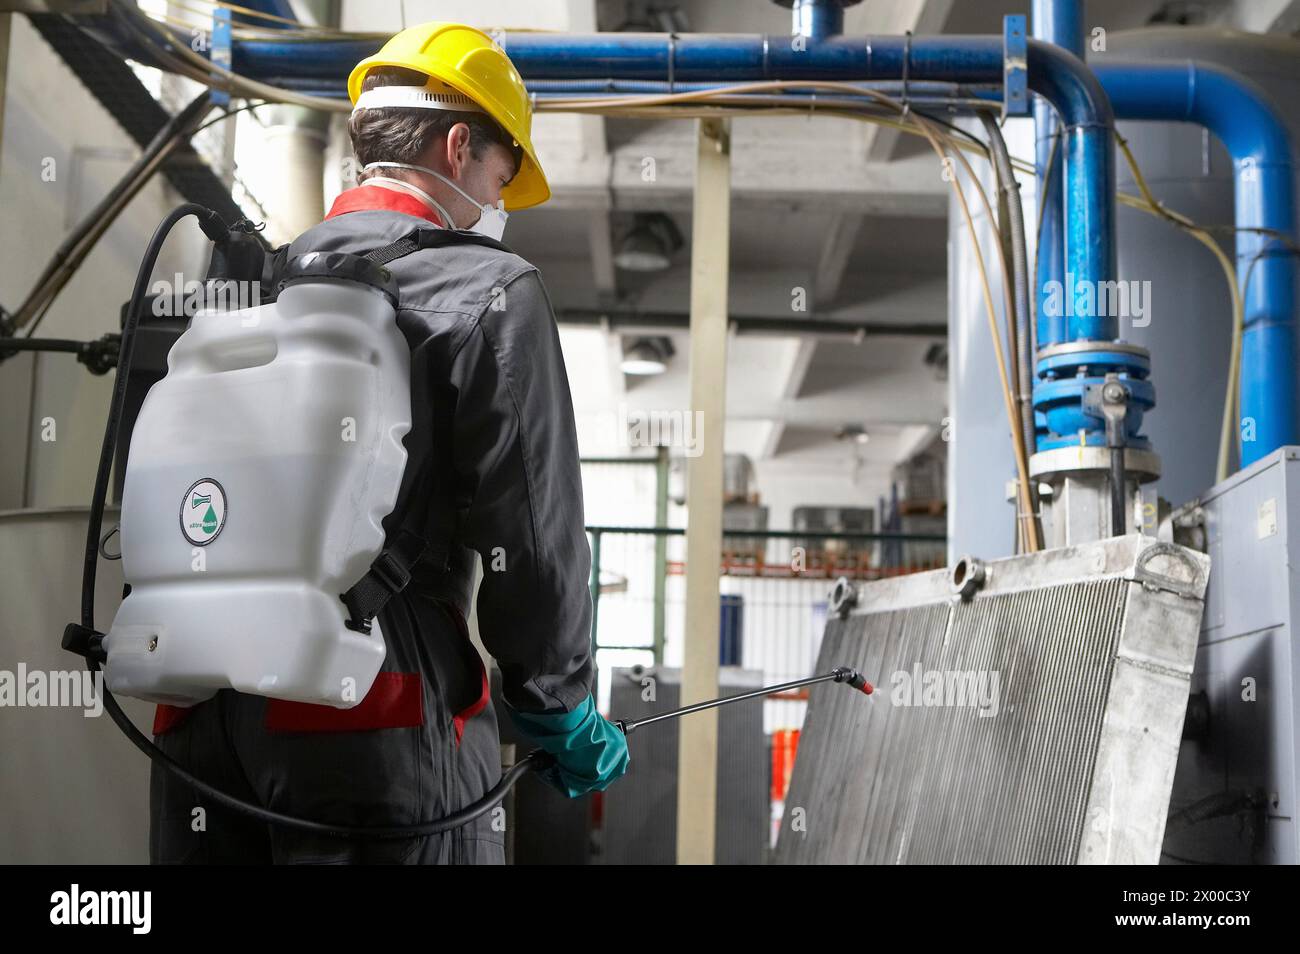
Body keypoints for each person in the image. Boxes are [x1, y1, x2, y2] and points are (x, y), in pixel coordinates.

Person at [148, 21, 629, 864]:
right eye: (500, 176)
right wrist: (556, 703)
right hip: (369, 697)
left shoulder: (253, 280)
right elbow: (532, 528)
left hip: (197, 707)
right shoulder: (489, 290)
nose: (499, 206)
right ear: (456, 144)